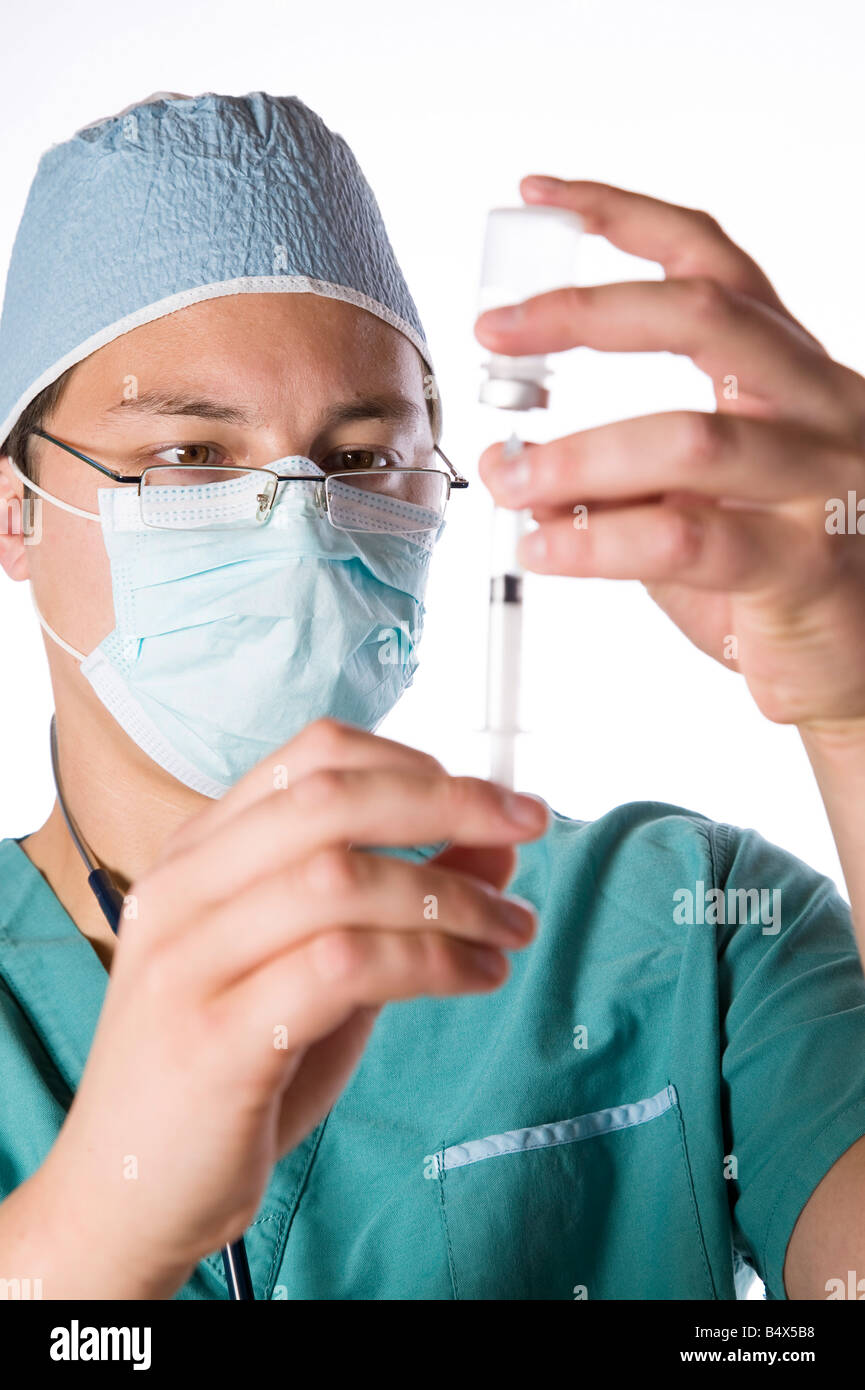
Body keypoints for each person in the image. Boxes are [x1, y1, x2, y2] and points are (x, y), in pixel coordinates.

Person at [0, 91, 863, 1303]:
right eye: (189, 457)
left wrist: (853, 716)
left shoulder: (697, 935)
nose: (296, 525)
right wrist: (89, 1233)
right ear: (16, 514)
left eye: (359, 458)